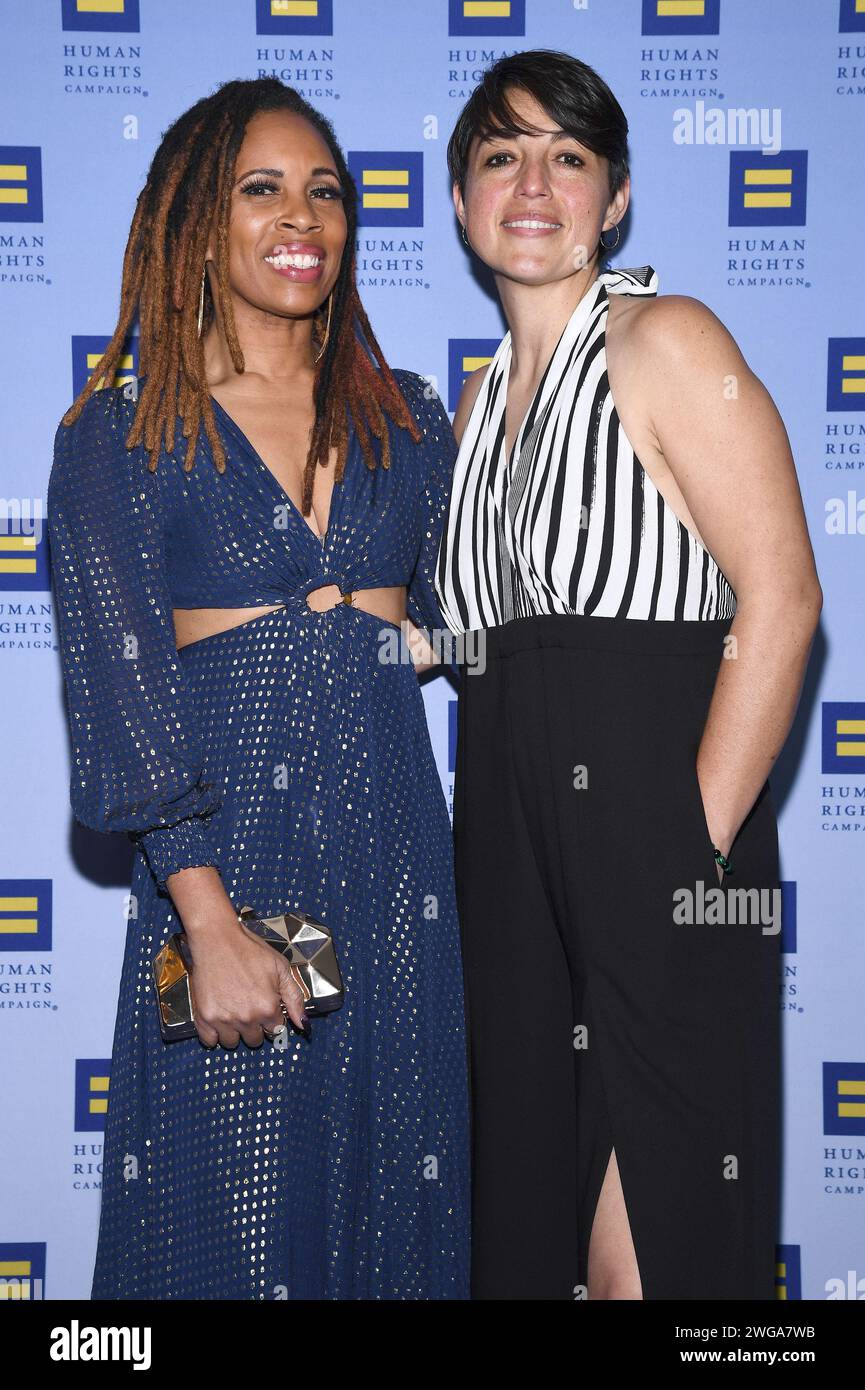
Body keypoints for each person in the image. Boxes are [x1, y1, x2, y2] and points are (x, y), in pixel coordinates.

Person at [48, 77, 469, 1301]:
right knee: (221, 1239)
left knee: (407, 1219)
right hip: (230, 883)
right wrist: (206, 917)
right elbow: (116, 689)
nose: (303, 216)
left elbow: (463, 623)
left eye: (326, 191)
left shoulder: (412, 424)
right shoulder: (124, 430)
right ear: (197, 217)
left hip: (401, 880)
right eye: (262, 188)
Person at [435, 50, 822, 1301]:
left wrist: (686, 844)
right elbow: (464, 649)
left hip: (659, 844)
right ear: (458, 201)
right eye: (500, 155)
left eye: (568, 156)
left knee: (654, 1258)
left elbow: (784, 598)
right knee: (532, 1239)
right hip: (507, 859)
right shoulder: (474, 411)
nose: (532, 183)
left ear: (615, 197)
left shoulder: (668, 341)